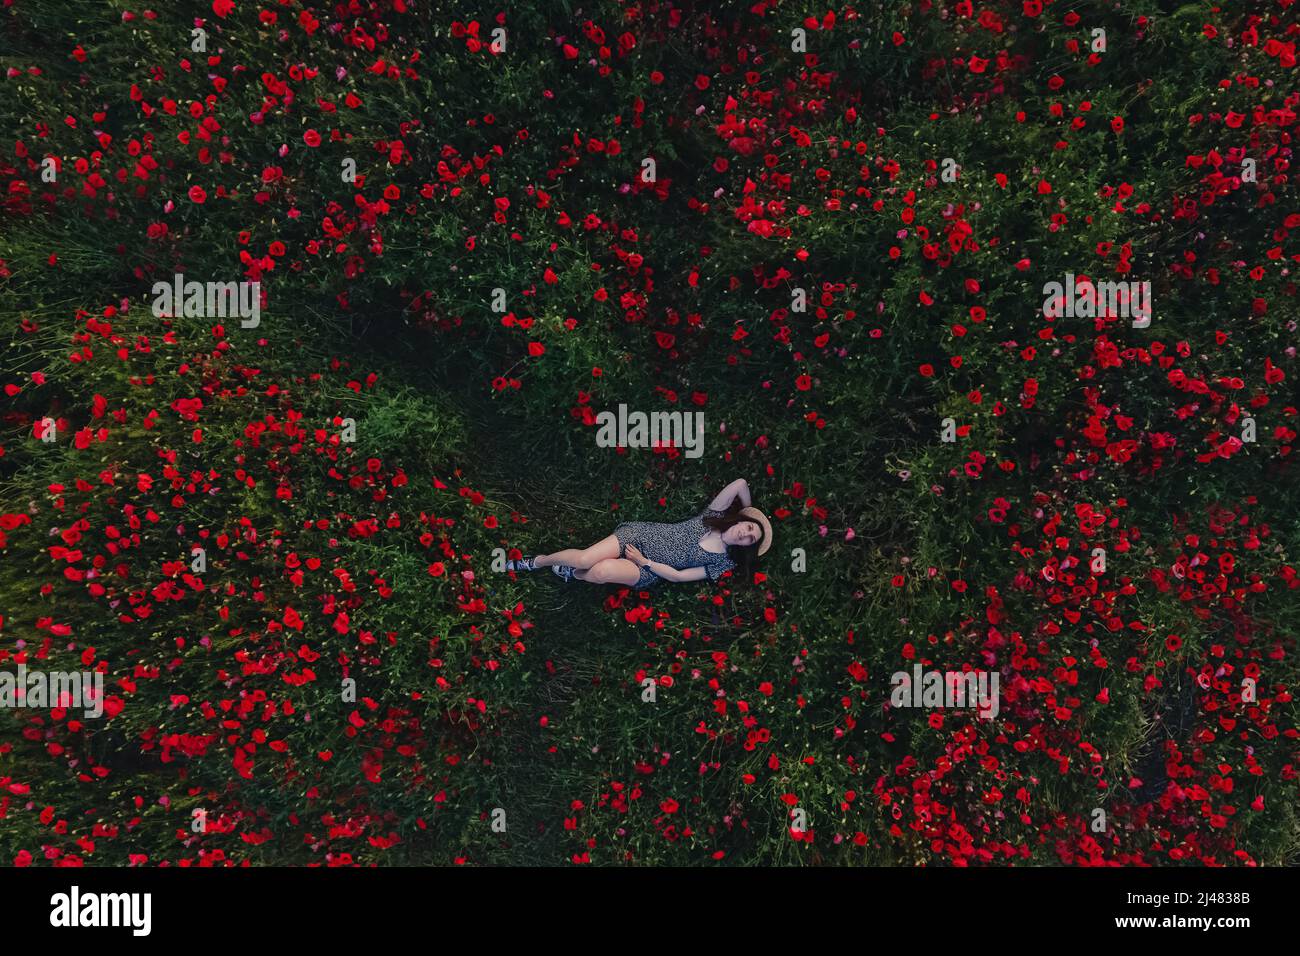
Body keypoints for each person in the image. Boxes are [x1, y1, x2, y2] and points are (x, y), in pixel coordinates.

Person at [510, 479, 771, 588]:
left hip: (648, 568)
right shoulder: (713, 516)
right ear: (742, 521)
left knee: (600, 572)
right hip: (640, 536)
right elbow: (740, 483)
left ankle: (571, 574)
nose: (745, 535)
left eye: (750, 539)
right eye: (748, 528)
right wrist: (748, 513)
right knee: (583, 559)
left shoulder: (723, 561)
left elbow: (680, 577)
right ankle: (537, 561)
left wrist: (645, 562)